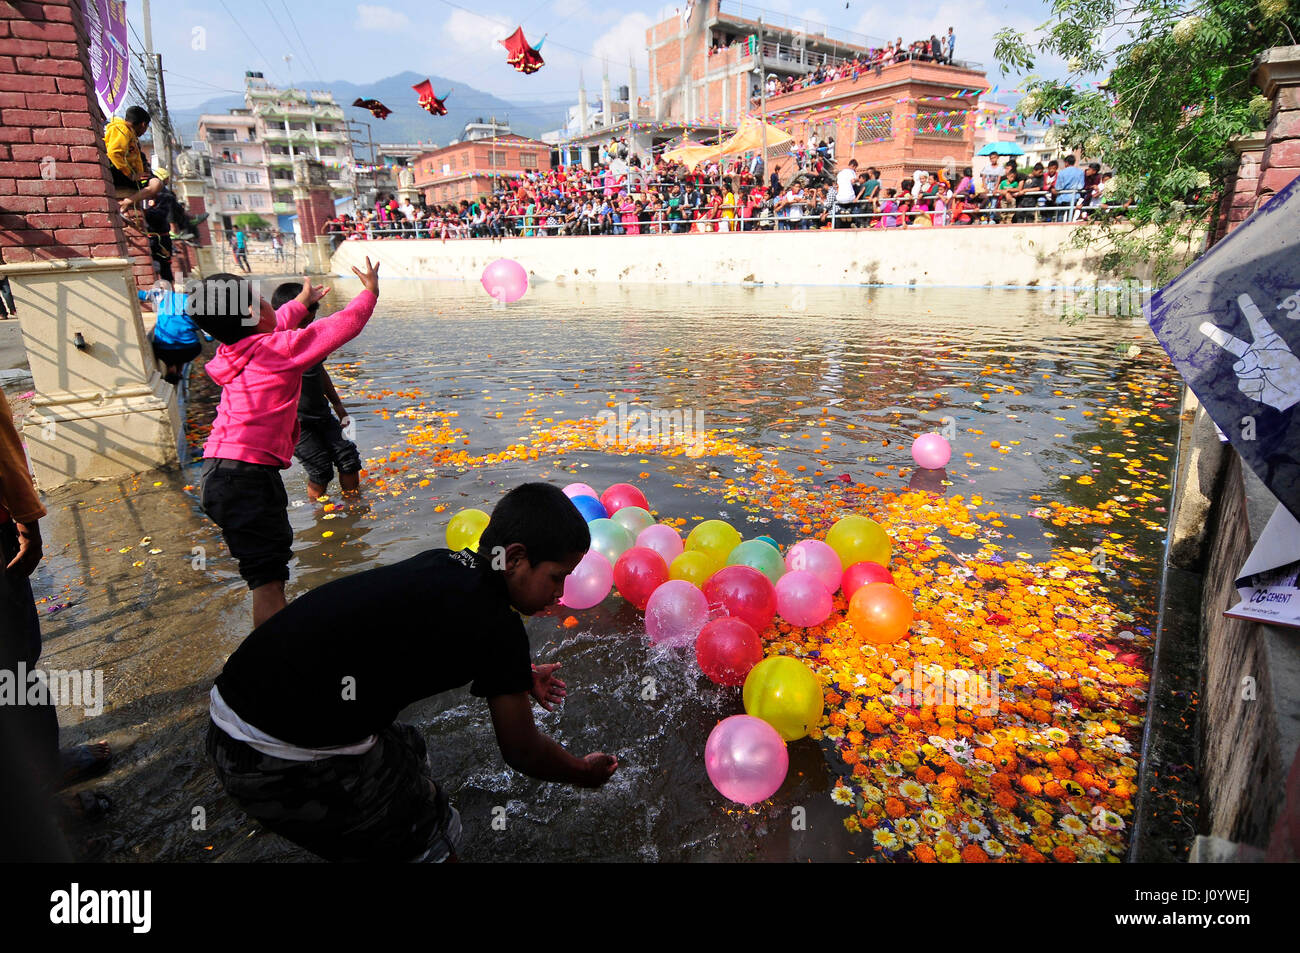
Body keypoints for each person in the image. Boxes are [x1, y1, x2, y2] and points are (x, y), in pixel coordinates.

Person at [206, 482, 619, 862]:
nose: (561, 593)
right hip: (275, 755)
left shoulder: (444, 564)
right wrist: (584, 773)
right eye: (557, 577)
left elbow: (402, 630)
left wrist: (517, 673)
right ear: (515, 558)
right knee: (433, 843)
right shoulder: (499, 627)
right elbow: (522, 751)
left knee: (409, 748)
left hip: (232, 710)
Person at [192, 258, 380, 629]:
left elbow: (273, 323)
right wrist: (369, 293)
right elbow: (341, 326)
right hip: (247, 478)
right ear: (251, 311)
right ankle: (273, 670)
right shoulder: (277, 350)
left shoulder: (234, 350)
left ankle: (273, 659)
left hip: (220, 472)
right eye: (262, 301)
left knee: (265, 576)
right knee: (269, 586)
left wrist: (302, 302)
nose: (271, 308)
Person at [270, 283, 362, 502]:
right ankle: (320, 514)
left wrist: (338, 405)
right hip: (295, 424)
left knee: (348, 458)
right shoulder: (273, 346)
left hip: (321, 415)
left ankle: (354, 507)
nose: (306, 328)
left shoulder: (309, 340)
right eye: (302, 322)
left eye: (310, 322)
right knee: (320, 470)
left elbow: (318, 371)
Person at [138, 283, 202, 386]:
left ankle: (170, 366)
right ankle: (179, 370)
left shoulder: (162, 295)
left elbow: (140, 295)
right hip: (189, 350)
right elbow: (201, 328)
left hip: (164, 350)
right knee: (190, 344)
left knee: (168, 346)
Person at [103, 105, 150, 192]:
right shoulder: (122, 130)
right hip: (118, 172)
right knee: (152, 184)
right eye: (147, 127)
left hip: (127, 173)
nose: (144, 132)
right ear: (143, 124)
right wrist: (130, 175)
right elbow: (113, 153)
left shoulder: (130, 134)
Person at [1053, 154, 1087, 221]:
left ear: (1066, 162)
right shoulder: (1080, 172)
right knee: (1070, 216)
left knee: (1060, 216)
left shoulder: (1062, 172)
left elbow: (1058, 187)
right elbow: (1081, 186)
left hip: (1062, 197)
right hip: (1074, 196)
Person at [833, 158, 860, 228]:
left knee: (842, 205)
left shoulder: (840, 173)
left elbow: (837, 186)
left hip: (839, 198)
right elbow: (853, 181)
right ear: (853, 166)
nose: (855, 170)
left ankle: (843, 210)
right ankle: (849, 211)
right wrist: (859, 179)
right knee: (855, 202)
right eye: (855, 168)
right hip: (849, 197)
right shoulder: (851, 172)